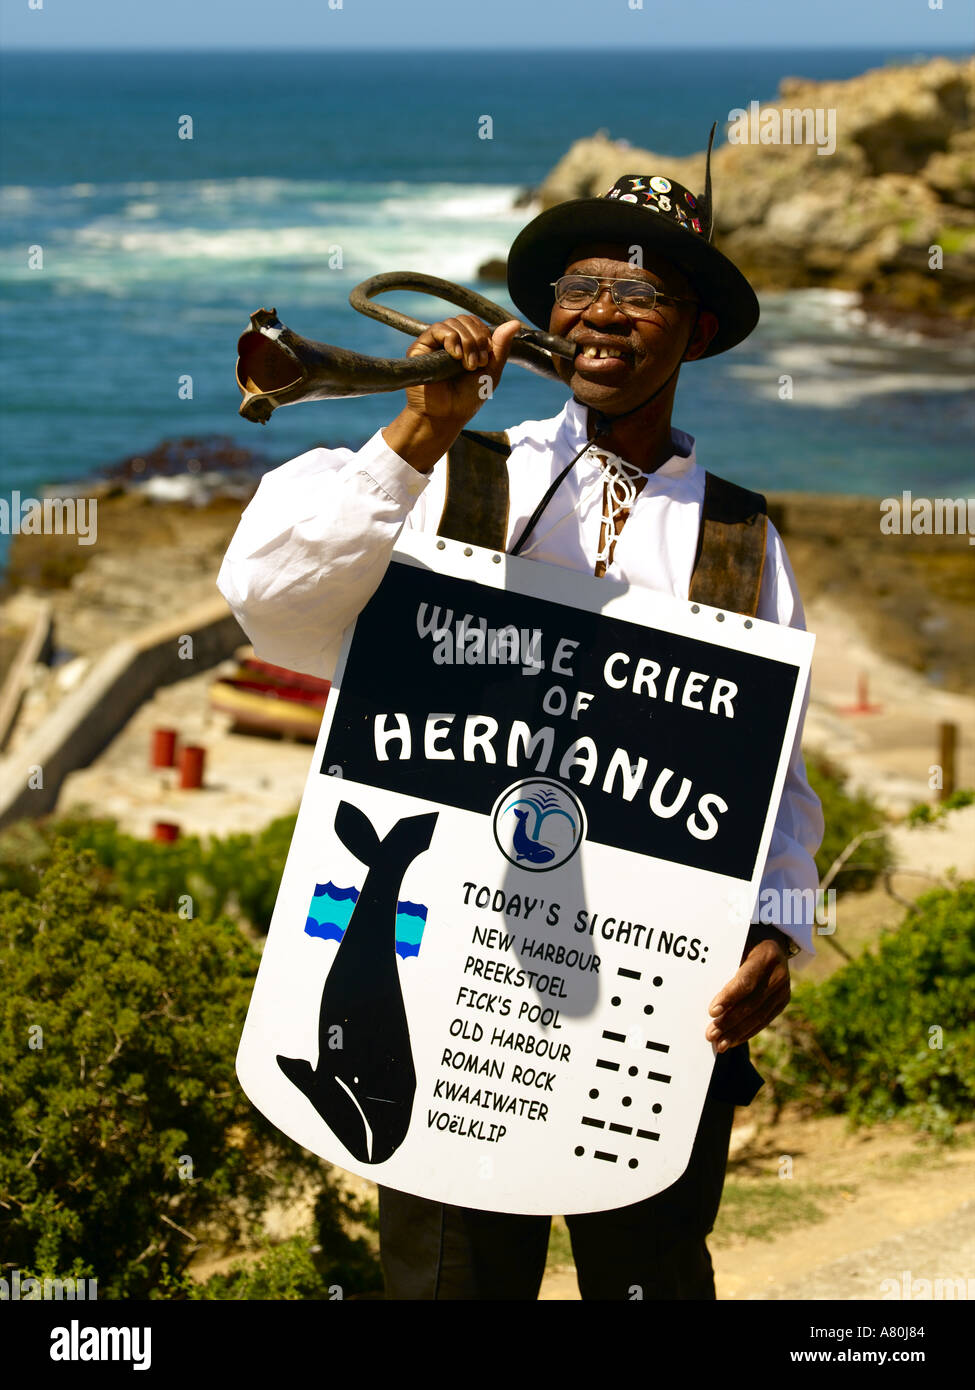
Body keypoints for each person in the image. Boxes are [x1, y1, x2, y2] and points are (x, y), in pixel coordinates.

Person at [217, 158, 824, 1301]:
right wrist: (412, 435)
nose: (601, 313)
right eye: (580, 286)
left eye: (638, 295)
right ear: (546, 316)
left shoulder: (741, 538)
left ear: (692, 333)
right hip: (447, 1004)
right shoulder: (453, 468)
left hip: (647, 1020)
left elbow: (775, 778)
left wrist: (779, 934)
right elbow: (272, 604)